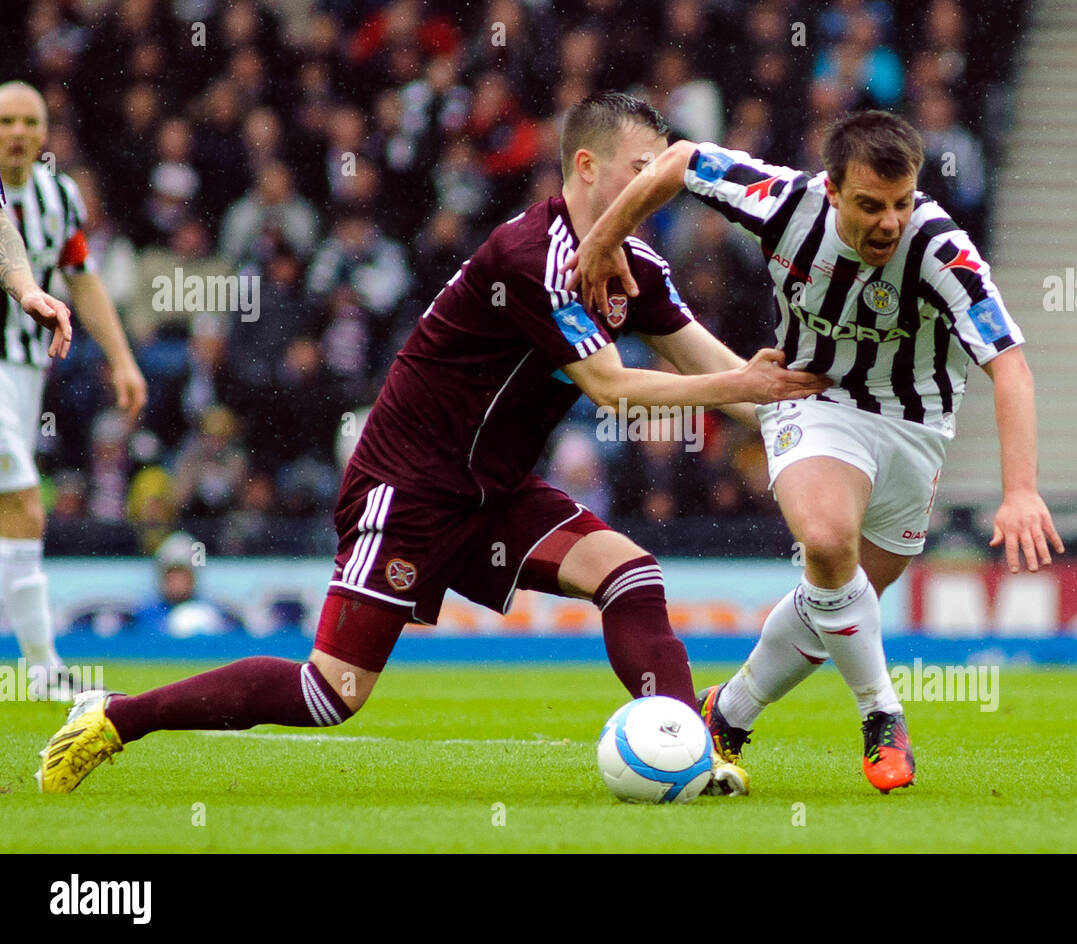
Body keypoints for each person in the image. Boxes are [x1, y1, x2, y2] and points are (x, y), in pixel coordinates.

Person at [35, 92, 825, 794]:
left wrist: (814, 429)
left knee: (630, 576)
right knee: (328, 694)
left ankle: (688, 751)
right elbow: (616, 389)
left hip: (496, 490)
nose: (656, 186)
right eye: (640, 168)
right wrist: (740, 388)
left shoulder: (637, 268)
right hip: (409, 485)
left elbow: (719, 369)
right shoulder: (533, 257)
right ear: (586, 166)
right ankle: (114, 718)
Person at [565, 109, 1063, 793]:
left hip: (917, 431)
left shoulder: (940, 248)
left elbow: (1010, 366)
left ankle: (727, 712)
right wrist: (604, 238)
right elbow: (678, 160)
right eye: (869, 205)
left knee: (833, 599)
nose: (889, 222)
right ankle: (881, 716)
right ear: (832, 191)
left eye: (899, 203)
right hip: (812, 400)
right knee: (828, 545)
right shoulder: (784, 202)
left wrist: (1021, 490)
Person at [0, 81, 121, 701]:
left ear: (45, 133)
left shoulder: (58, 197)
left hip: (25, 374)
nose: (17, 132)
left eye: (28, 122)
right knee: (23, 501)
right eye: (5, 121)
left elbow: (83, 278)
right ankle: (43, 669)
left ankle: (41, 668)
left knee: (11, 509)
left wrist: (123, 359)